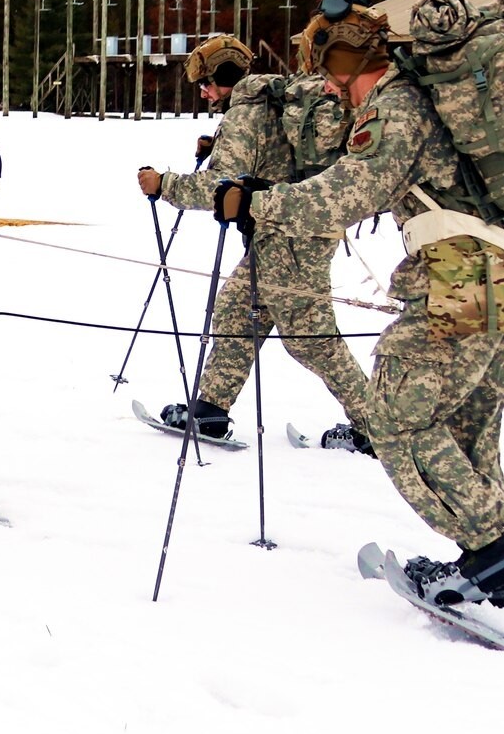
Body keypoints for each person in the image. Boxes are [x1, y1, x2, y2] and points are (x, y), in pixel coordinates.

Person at [211, 0, 504, 606]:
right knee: (467, 431)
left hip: (458, 272)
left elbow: (346, 192)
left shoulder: (395, 105)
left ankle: (494, 550)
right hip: (487, 269)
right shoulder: (414, 99)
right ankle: (486, 562)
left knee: (394, 415)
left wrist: (254, 203)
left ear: (343, 60)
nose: (331, 91)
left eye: (329, 72)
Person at [137, 34, 374, 452]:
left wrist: (164, 184)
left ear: (226, 76)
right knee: (234, 311)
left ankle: (378, 427)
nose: (204, 91)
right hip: (280, 232)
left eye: (207, 82)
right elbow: (263, 159)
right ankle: (210, 409)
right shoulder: (267, 100)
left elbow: (218, 187)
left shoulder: (246, 114)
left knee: (310, 339)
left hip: (293, 236)